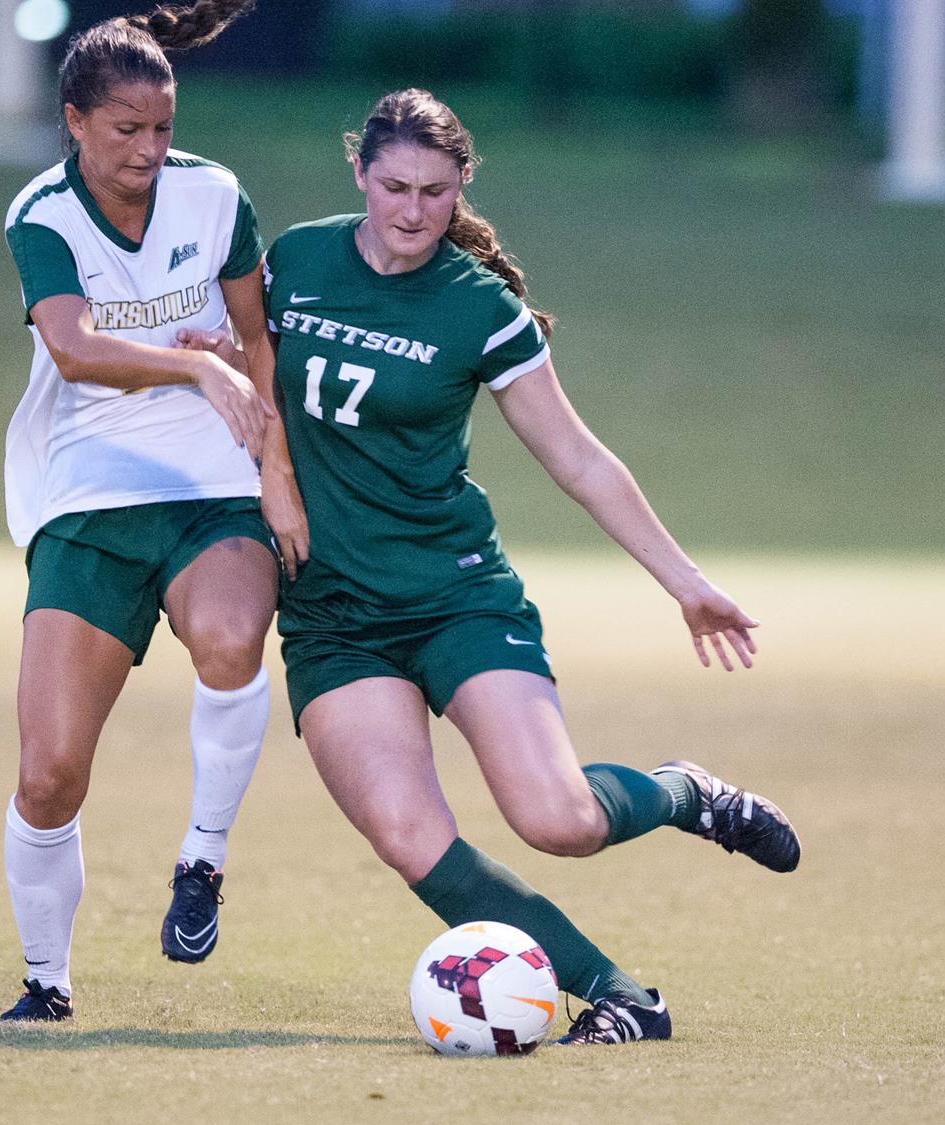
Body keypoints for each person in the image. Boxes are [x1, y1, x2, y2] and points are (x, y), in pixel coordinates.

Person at [250, 88, 800, 1046]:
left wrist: (687, 583)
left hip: (455, 597)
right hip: (333, 616)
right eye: (392, 187)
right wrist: (269, 478)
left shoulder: (479, 309)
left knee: (561, 819)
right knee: (408, 837)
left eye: (433, 191)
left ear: (460, 187)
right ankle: (621, 994)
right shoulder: (292, 260)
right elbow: (239, 373)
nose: (412, 211)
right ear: (358, 173)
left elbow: (580, 458)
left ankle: (686, 793)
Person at [0, 0, 304, 1022]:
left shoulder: (213, 199)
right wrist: (186, 365)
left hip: (212, 490)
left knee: (229, 639)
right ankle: (46, 983)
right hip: (87, 500)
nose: (148, 149)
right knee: (47, 776)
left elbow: (258, 342)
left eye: (161, 128)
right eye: (126, 129)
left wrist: (275, 469)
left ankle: (202, 862)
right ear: (74, 121)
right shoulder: (41, 213)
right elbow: (75, 348)